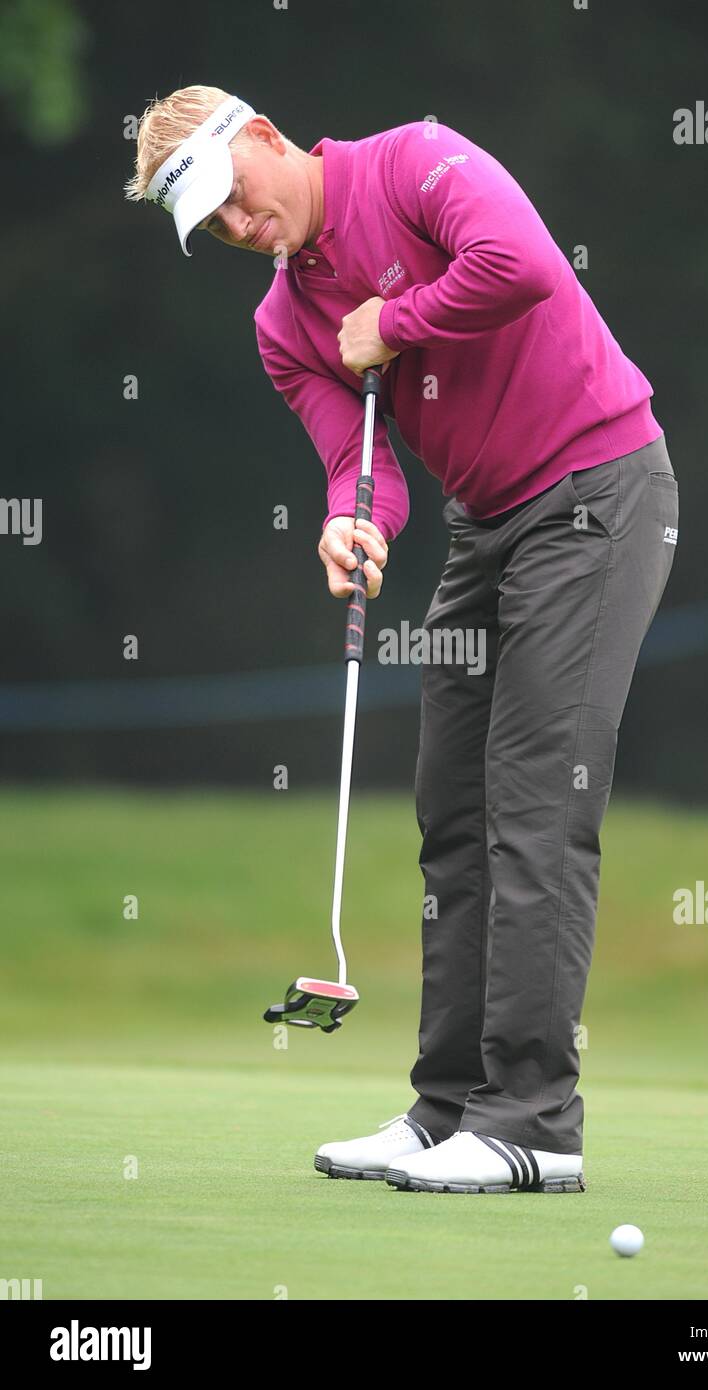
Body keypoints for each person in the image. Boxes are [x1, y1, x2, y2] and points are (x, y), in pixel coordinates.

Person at [126, 86, 678, 1194]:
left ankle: (533, 1124)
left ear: (265, 139)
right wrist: (350, 521)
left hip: (596, 494)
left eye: (234, 195)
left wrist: (397, 321)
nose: (238, 226)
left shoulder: (413, 162)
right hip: (486, 525)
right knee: (452, 812)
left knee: (534, 802)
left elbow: (521, 265)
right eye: (212, 224)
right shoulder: (282, 326)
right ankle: (448, 1107)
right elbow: (361, 462)